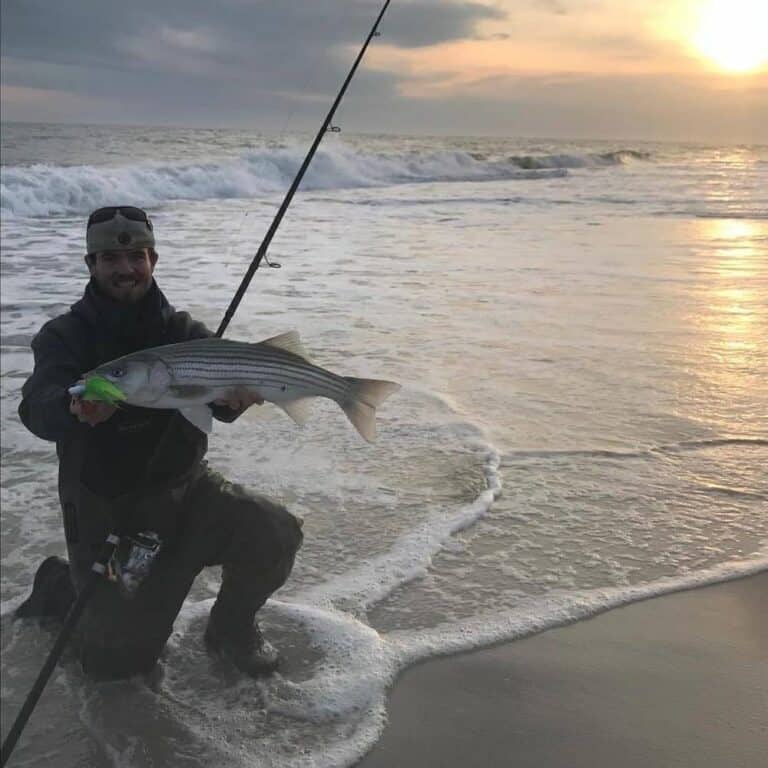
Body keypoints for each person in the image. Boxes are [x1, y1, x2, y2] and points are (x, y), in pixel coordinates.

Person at [16, 206, 303, 680]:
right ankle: (64, 586)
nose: (125, 269)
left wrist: (238, 399)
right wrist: (73, 411)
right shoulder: (64, 337)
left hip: (186, 492)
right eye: (110, 257)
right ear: (91, 264)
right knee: (116, 666)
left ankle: (231, 631)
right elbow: (37, 407)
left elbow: (218, 407)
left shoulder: (183, 332)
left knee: (274, 531)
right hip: (114, 514)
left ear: (153, 259)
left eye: (136, 257)